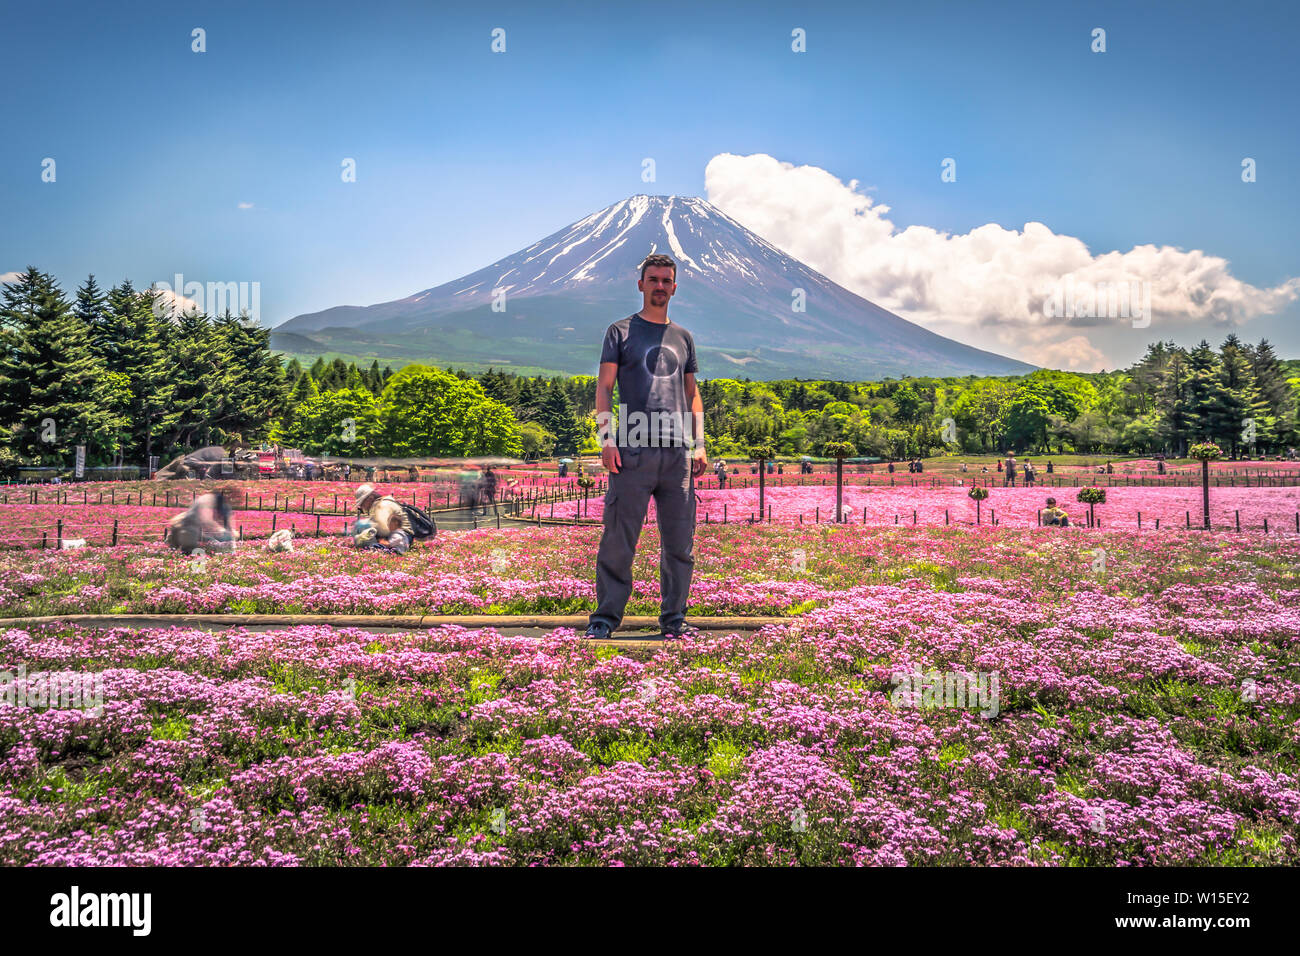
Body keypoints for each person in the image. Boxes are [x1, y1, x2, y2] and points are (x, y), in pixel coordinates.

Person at [588, 253, 704, 642]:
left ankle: (675, 619)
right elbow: (604, 388)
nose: (659, 286)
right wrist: (606, 439)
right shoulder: (619, 332)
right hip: (632, 450)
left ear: (674, 286)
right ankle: (604, 619)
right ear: (641, 285)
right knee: (618, 540)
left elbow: (692, 394)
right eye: (652, 279)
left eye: (665, 280)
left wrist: (699, 443)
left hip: (677, 455)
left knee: (680, 543)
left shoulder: (684, 337)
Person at [166, 486, 237, 555]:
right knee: (188, 550)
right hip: (187, 528)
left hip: (184, 525)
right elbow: (206, 519)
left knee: (176, 548)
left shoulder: (209, 500)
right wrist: (219, 529)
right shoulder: (208, 501)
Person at [353, 483, 412, 553]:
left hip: (399, 537)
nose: (363, 507)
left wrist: (366, 531)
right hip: (403, 536)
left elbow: (384, 530)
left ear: (370, 498)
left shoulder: (382, 505)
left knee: (372, 544)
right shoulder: (385, 501)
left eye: (362, 504)